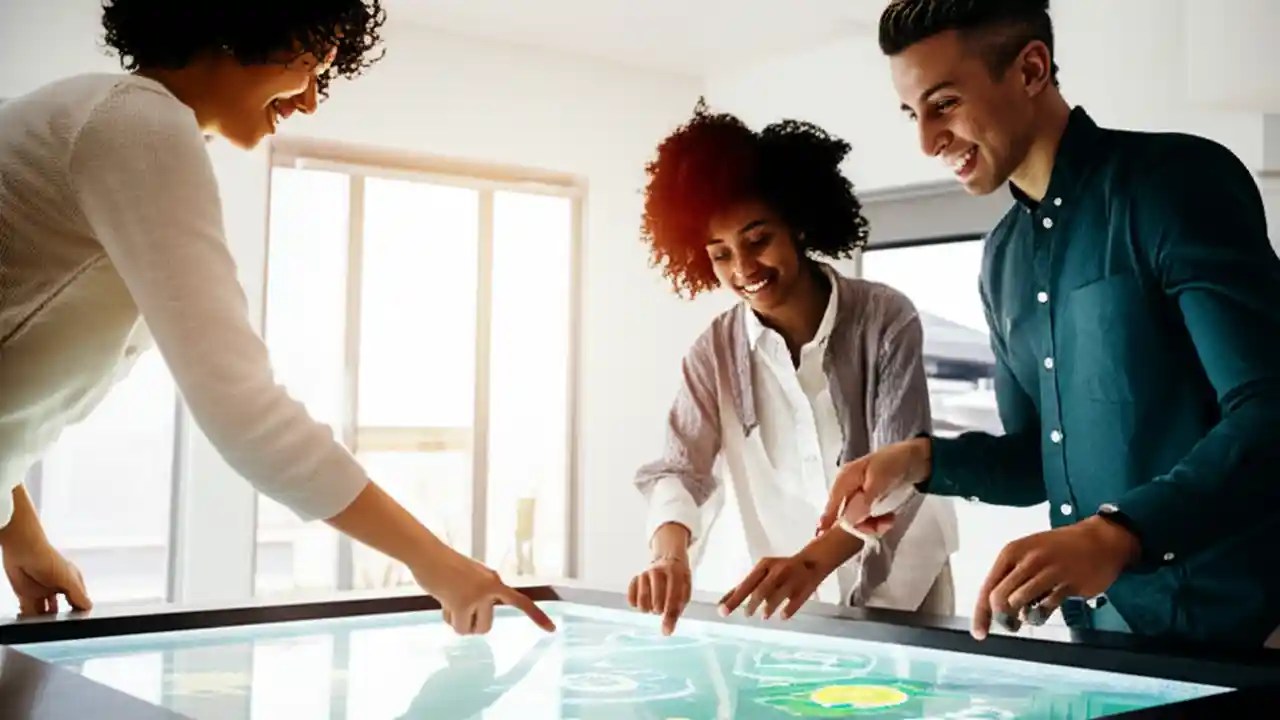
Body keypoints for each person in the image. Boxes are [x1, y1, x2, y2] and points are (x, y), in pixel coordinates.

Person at [0, 0, 553, 636]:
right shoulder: (137, 123)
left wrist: (22, 536)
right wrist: (438, 564)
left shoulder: (101, 117)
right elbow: (245, 412)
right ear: (243, 26)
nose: (312, 99)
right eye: (313, 62)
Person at [820, 0, 1280, 648]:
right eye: (912, 114)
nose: (926, 140)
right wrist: (920, 461)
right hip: (1100, 643)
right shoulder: (1001, 259)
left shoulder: (1174, 184)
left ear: (1031, 68)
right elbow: (1038, 461)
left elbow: (1267, 410)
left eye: (944, 103)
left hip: (1244, 638)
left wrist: (1118, 532)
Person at [629, 100, 959, 635]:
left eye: (758, 240)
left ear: (798, 227)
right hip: (787, 594)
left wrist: (813, 561)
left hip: (905, 578)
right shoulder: (713, 353)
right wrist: (669, 554)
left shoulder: (885, 319)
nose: (744, 269)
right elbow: (679, 470)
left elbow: (901, 469)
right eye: (720, 255)